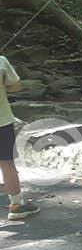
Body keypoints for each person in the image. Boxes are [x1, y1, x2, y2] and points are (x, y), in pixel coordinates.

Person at [0, 54, 36, 221]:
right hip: (1, 121)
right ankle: (16, 205)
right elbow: (15, 86)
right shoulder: (1, 61)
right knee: (6, 162)